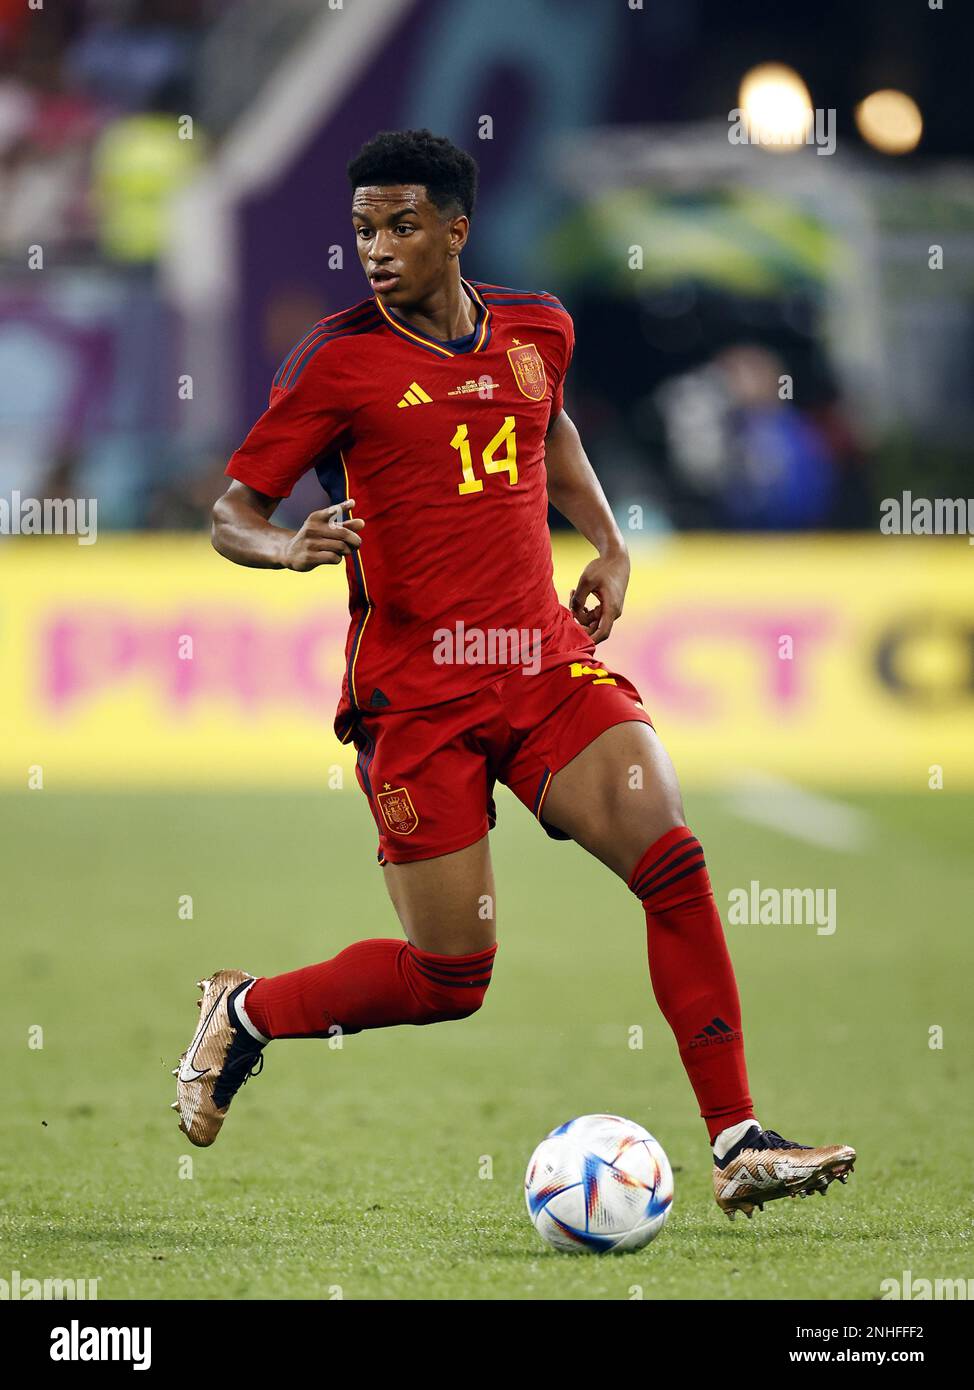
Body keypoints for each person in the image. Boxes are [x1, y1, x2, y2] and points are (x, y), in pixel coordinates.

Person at [171, 130, 854, 1219]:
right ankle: (244, 1009)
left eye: (399, 227)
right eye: (361, 232)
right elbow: (229, 513)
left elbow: (552, 430)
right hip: (415, 699)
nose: (377, 251)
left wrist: (608, 541)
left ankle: (735, 1140)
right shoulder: (335, 362)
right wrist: (284, 546)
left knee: (668, 853)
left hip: (539, 666)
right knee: (449, 979)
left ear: (455, 228)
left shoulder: (538, 327)